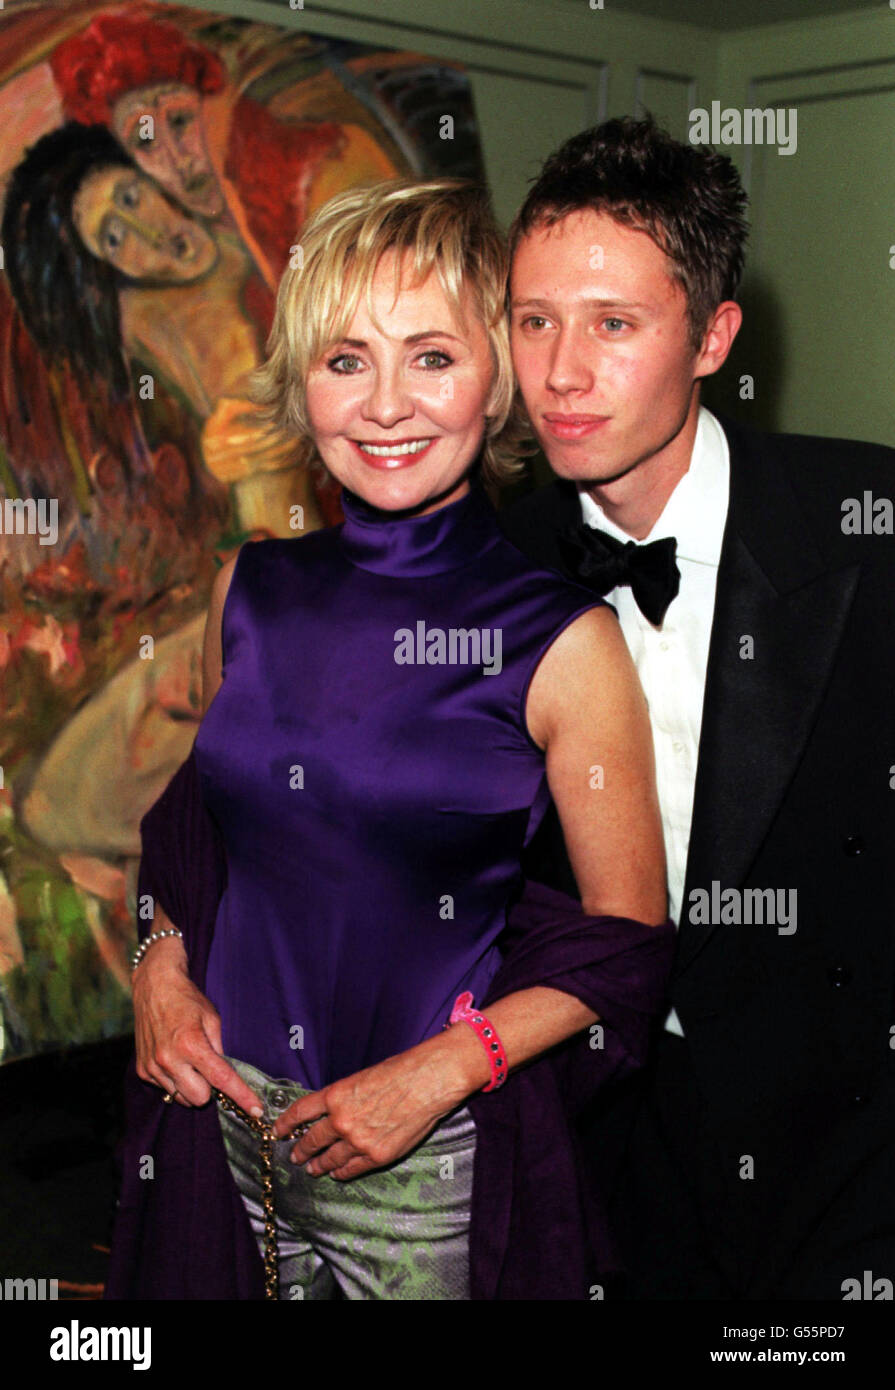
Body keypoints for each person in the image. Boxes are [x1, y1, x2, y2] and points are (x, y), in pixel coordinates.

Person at [107, 177, 673, 1301]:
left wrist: (432, 1078)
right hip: (225, 1127)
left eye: (430, 355)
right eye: (344, 358)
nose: (383, 405)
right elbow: (197, 826)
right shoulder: (251, 587)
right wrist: (157, 960)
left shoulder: (561, 640)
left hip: (426, 1167)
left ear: (495, 378)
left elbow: (627, 939)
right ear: (301, 383)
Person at [498, 114, 895, 1300]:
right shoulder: (487, 568)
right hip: (601, 1143)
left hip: (854, 1153)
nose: (560, 373)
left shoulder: (869, 524)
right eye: (533, 321)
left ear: (714, 335)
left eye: (613, 324)